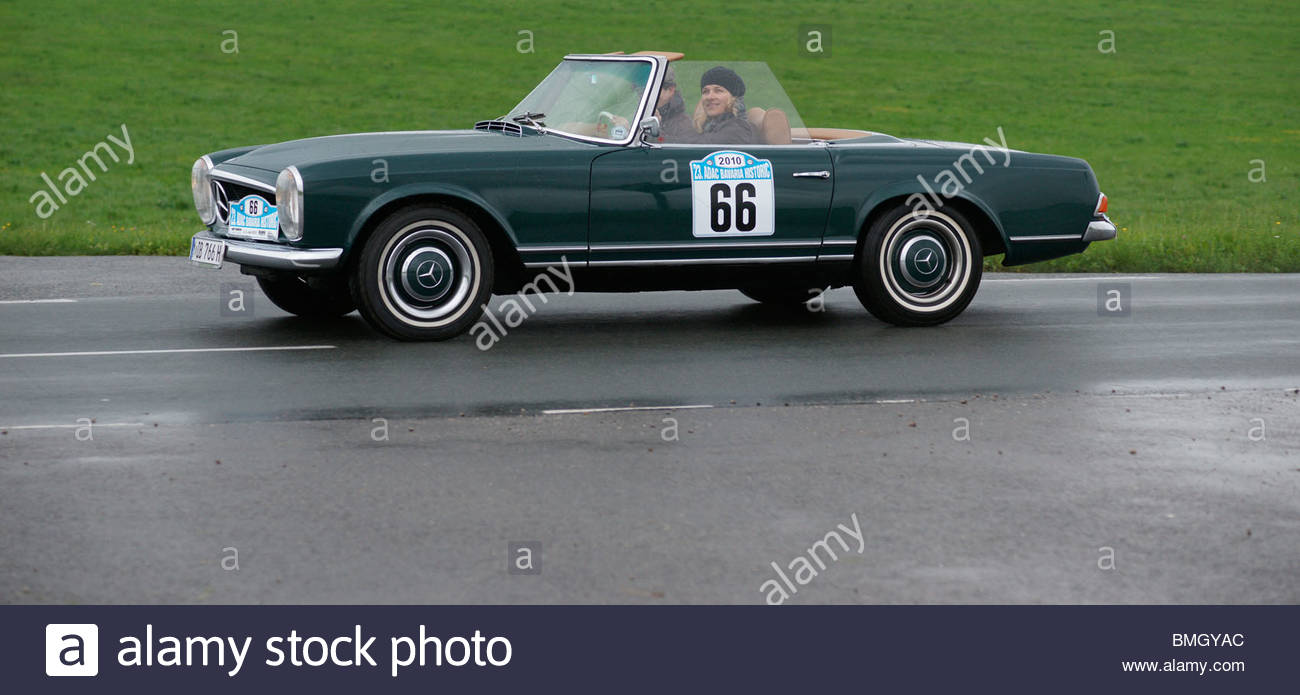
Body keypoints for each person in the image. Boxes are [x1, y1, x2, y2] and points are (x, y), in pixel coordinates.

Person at [658, 66, 758, 145]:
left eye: (718, 91)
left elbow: (696, 146)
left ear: (733, 97)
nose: (709, 97)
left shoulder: (738, 128)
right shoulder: (710, 126)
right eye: (705, 92)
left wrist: (657, 136)